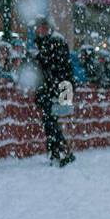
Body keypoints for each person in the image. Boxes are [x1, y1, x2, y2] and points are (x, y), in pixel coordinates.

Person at [32, 19, 76, 167]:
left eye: (43, 27)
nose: (41, 30)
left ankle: (59, 151)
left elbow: (58, 66)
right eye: (39, 28)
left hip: (56, 88)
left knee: (51, 121)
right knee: (50, 121)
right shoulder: (43, 43)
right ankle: (58, 151)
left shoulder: (55, 42)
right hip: (50, 88)